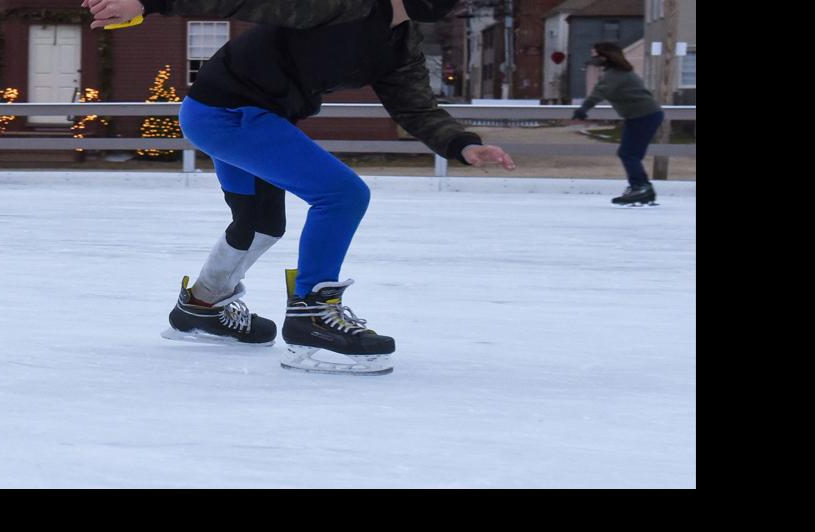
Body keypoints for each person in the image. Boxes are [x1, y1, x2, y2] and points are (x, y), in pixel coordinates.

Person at [85, 0, 517, 376]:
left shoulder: (398, 43)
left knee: (260, 224)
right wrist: (148, 2)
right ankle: (312, 315)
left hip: (243, 114)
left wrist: (462, 145)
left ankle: (201, 306)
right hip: (227, 113)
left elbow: (416, 107)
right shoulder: (339, 5)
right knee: (343, 195)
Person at [570, 42, 664, 207]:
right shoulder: (616, 72)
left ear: (606, 56)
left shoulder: (616, 74)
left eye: (596, 55)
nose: (593, 58)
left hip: (645, 116)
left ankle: (640, 187)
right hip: (639, 116)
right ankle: (642, 187)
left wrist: (583, 108)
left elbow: (599, 92)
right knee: (629, 153)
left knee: (629, 154)